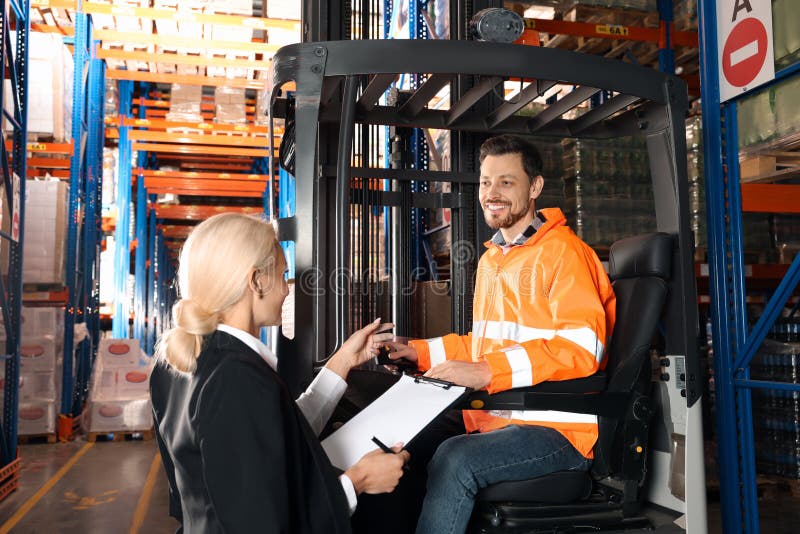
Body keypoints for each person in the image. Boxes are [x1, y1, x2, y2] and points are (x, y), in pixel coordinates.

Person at [388, 134, 616, 534]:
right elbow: (483, 344)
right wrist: (417, 352)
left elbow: (583, 347)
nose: (492, 193)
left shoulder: (564, 253)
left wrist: (487, 372)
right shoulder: (496, 258)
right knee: (403, 441)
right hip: (498, 417)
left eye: (506, 182)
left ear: (535, 188)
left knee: (455, 459)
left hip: (558, 429)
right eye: (485, 182)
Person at [150, 213, 410, 533]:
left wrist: (342, 361)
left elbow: (272, 435)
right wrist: (357, 482)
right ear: (256, 280)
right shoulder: (237, 378)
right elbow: (263, 524)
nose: (288, 291)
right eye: (284, 275)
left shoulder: (175, 364)